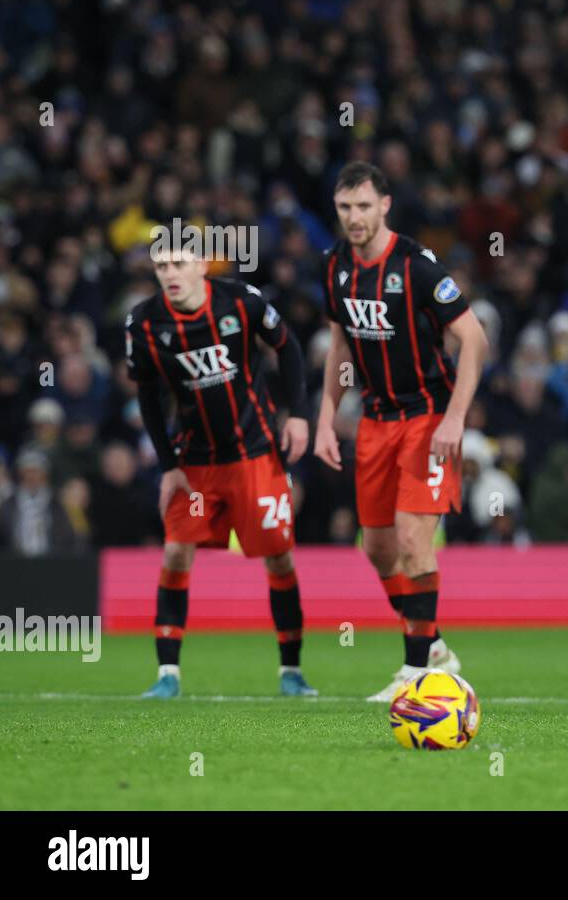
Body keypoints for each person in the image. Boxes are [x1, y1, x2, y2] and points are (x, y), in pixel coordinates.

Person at [314, 161, 489, 702]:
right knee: (378, 548)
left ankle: (415, 673)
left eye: (364, 206)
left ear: (385, 205)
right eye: (345, 207)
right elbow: (341, 346)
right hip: (374, 421)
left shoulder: (417, 267)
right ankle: (433, 646)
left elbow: (474, 339)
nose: (354, 217)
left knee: (416, 543)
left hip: (427, 418)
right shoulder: (334, 266)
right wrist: (325, 416)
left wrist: (456, 419)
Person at [126, 249, 315, 699]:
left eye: (178, 263)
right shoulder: (143, 324)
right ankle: (167, 675)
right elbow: (149, 398)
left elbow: (287, 347)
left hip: (255, 454)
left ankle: (291, 670)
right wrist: (168, 464)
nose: (170, 273)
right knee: (175, 554)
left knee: (279, 558)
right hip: (195, 461)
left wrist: (299, 416)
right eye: (161, 265)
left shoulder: (241, 302)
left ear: (201, 265)